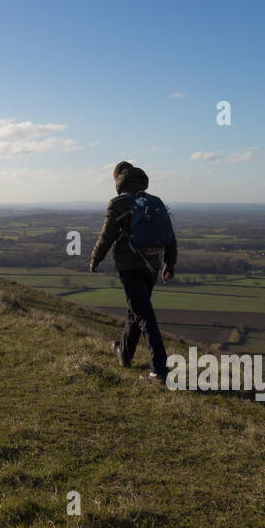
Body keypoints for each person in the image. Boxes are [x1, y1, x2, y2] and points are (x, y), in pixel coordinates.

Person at [89, 161, 177, 384]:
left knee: (144, 315)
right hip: (153, 265)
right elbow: (170, 236)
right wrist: (170, 264)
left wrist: (95, 260)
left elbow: (106, 236)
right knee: (136, 311)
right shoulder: (155, 201)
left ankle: (158, 371)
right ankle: (124, 354)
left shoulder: (118, 203)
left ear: (119, 178)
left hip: (130, 266)